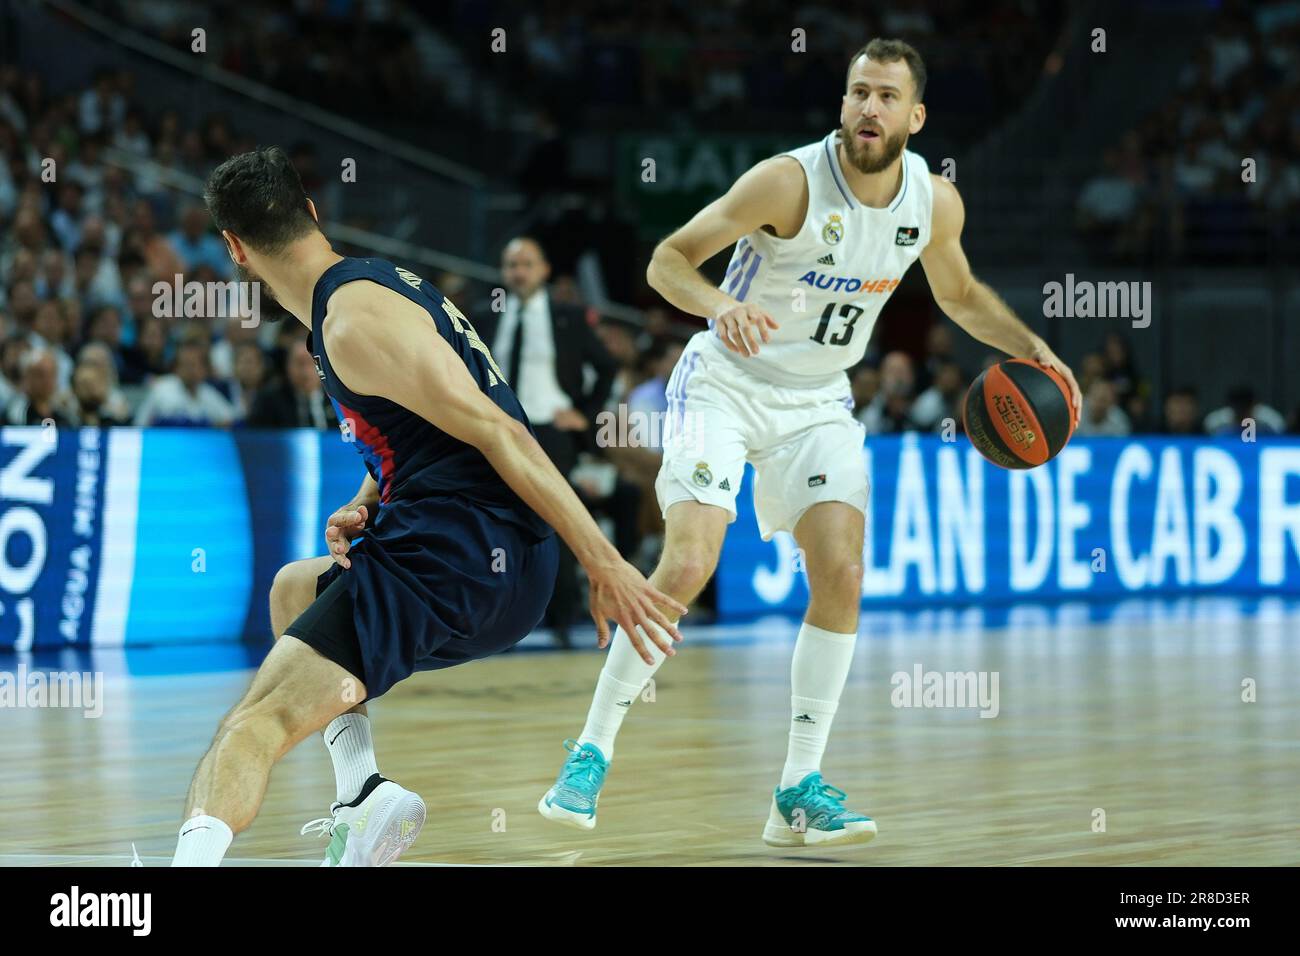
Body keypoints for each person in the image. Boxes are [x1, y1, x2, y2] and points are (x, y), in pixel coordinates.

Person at [538, 38, 1080, 848]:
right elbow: (665, 262)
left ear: (916, 115)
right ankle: (589, 753)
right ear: (842, 104)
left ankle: (796, 787)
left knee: (844, 574)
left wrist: (1031, 350)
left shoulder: (934, 203)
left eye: (887, 96)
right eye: (858, 92)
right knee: (687, 564)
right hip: (724, 382)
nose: (870, 108)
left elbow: (961, 294)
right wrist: (719, 303)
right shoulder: (787, 182)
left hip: (819, 400)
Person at [172, 147, 681, 867]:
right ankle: (364, 796)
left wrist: (605, 563)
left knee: (254, 725)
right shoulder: (368, 289)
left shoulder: (352, 322)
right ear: (313, 212)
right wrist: (368, 496)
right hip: (467, 546)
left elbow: (500, 428)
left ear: (235, 250)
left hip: (465, 556)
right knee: (294, 588)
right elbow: (427, 430)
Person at [475, 237, 620, 646]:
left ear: (544, 270)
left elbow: (607, 366)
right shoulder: (487, 317)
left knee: (559, 520)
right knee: (493, 522)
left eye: (526, 263)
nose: (517, 272)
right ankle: (493, 618)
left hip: (549, 432)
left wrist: (584, 413)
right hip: (496, 431)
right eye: (511, 264)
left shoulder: (569, 316)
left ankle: (560, 618)